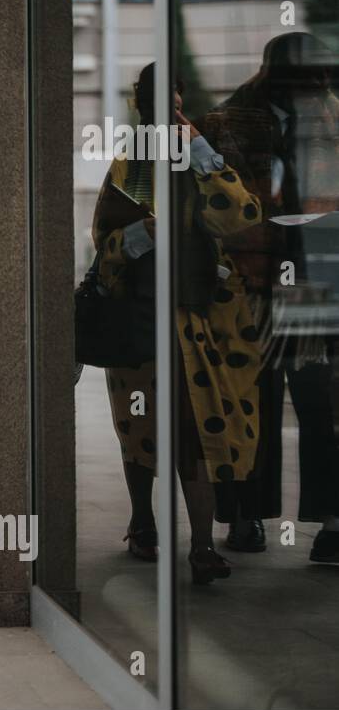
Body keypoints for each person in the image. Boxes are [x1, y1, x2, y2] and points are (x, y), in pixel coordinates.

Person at [92, 63, 263, 584]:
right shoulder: (128, 164)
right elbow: (105, 245)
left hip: (202, 321)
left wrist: (200, 156)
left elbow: (243, 219)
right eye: (151, 101)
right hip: (141, 319)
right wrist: (145, 232)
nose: (163, 111)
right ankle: (143, 520)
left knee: (198, 427)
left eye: (171, 100)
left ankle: (203, 544)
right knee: (138, 428)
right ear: (139, 105)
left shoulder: (203, 155)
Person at [200, 32, 339, 564]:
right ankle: (246, 515)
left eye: (324, 75)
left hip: (310, 282)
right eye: (311, 75)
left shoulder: (331, 121)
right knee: (249, 404)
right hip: (246, 284)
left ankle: (331, 521)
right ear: (276, 74)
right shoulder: (224, 124)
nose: (322, 84)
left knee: (318, 404)